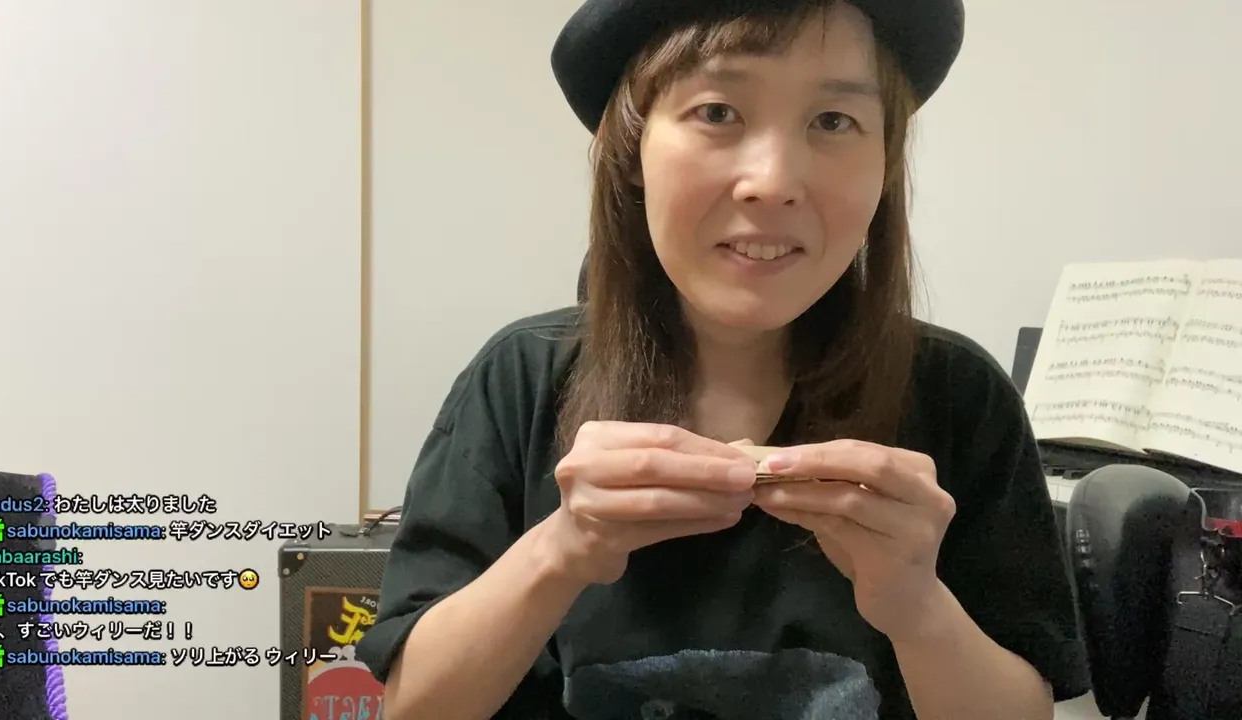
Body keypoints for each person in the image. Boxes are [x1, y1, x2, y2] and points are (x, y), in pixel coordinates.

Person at [354, 0, 1091, 717]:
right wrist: (562, 549)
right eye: (717, 111)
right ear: (632, 149)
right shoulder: (520, 378)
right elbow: (414, 708)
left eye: (833, 120)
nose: (773, 182)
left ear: (886, 163)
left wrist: (916, 606)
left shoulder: (962, 398)